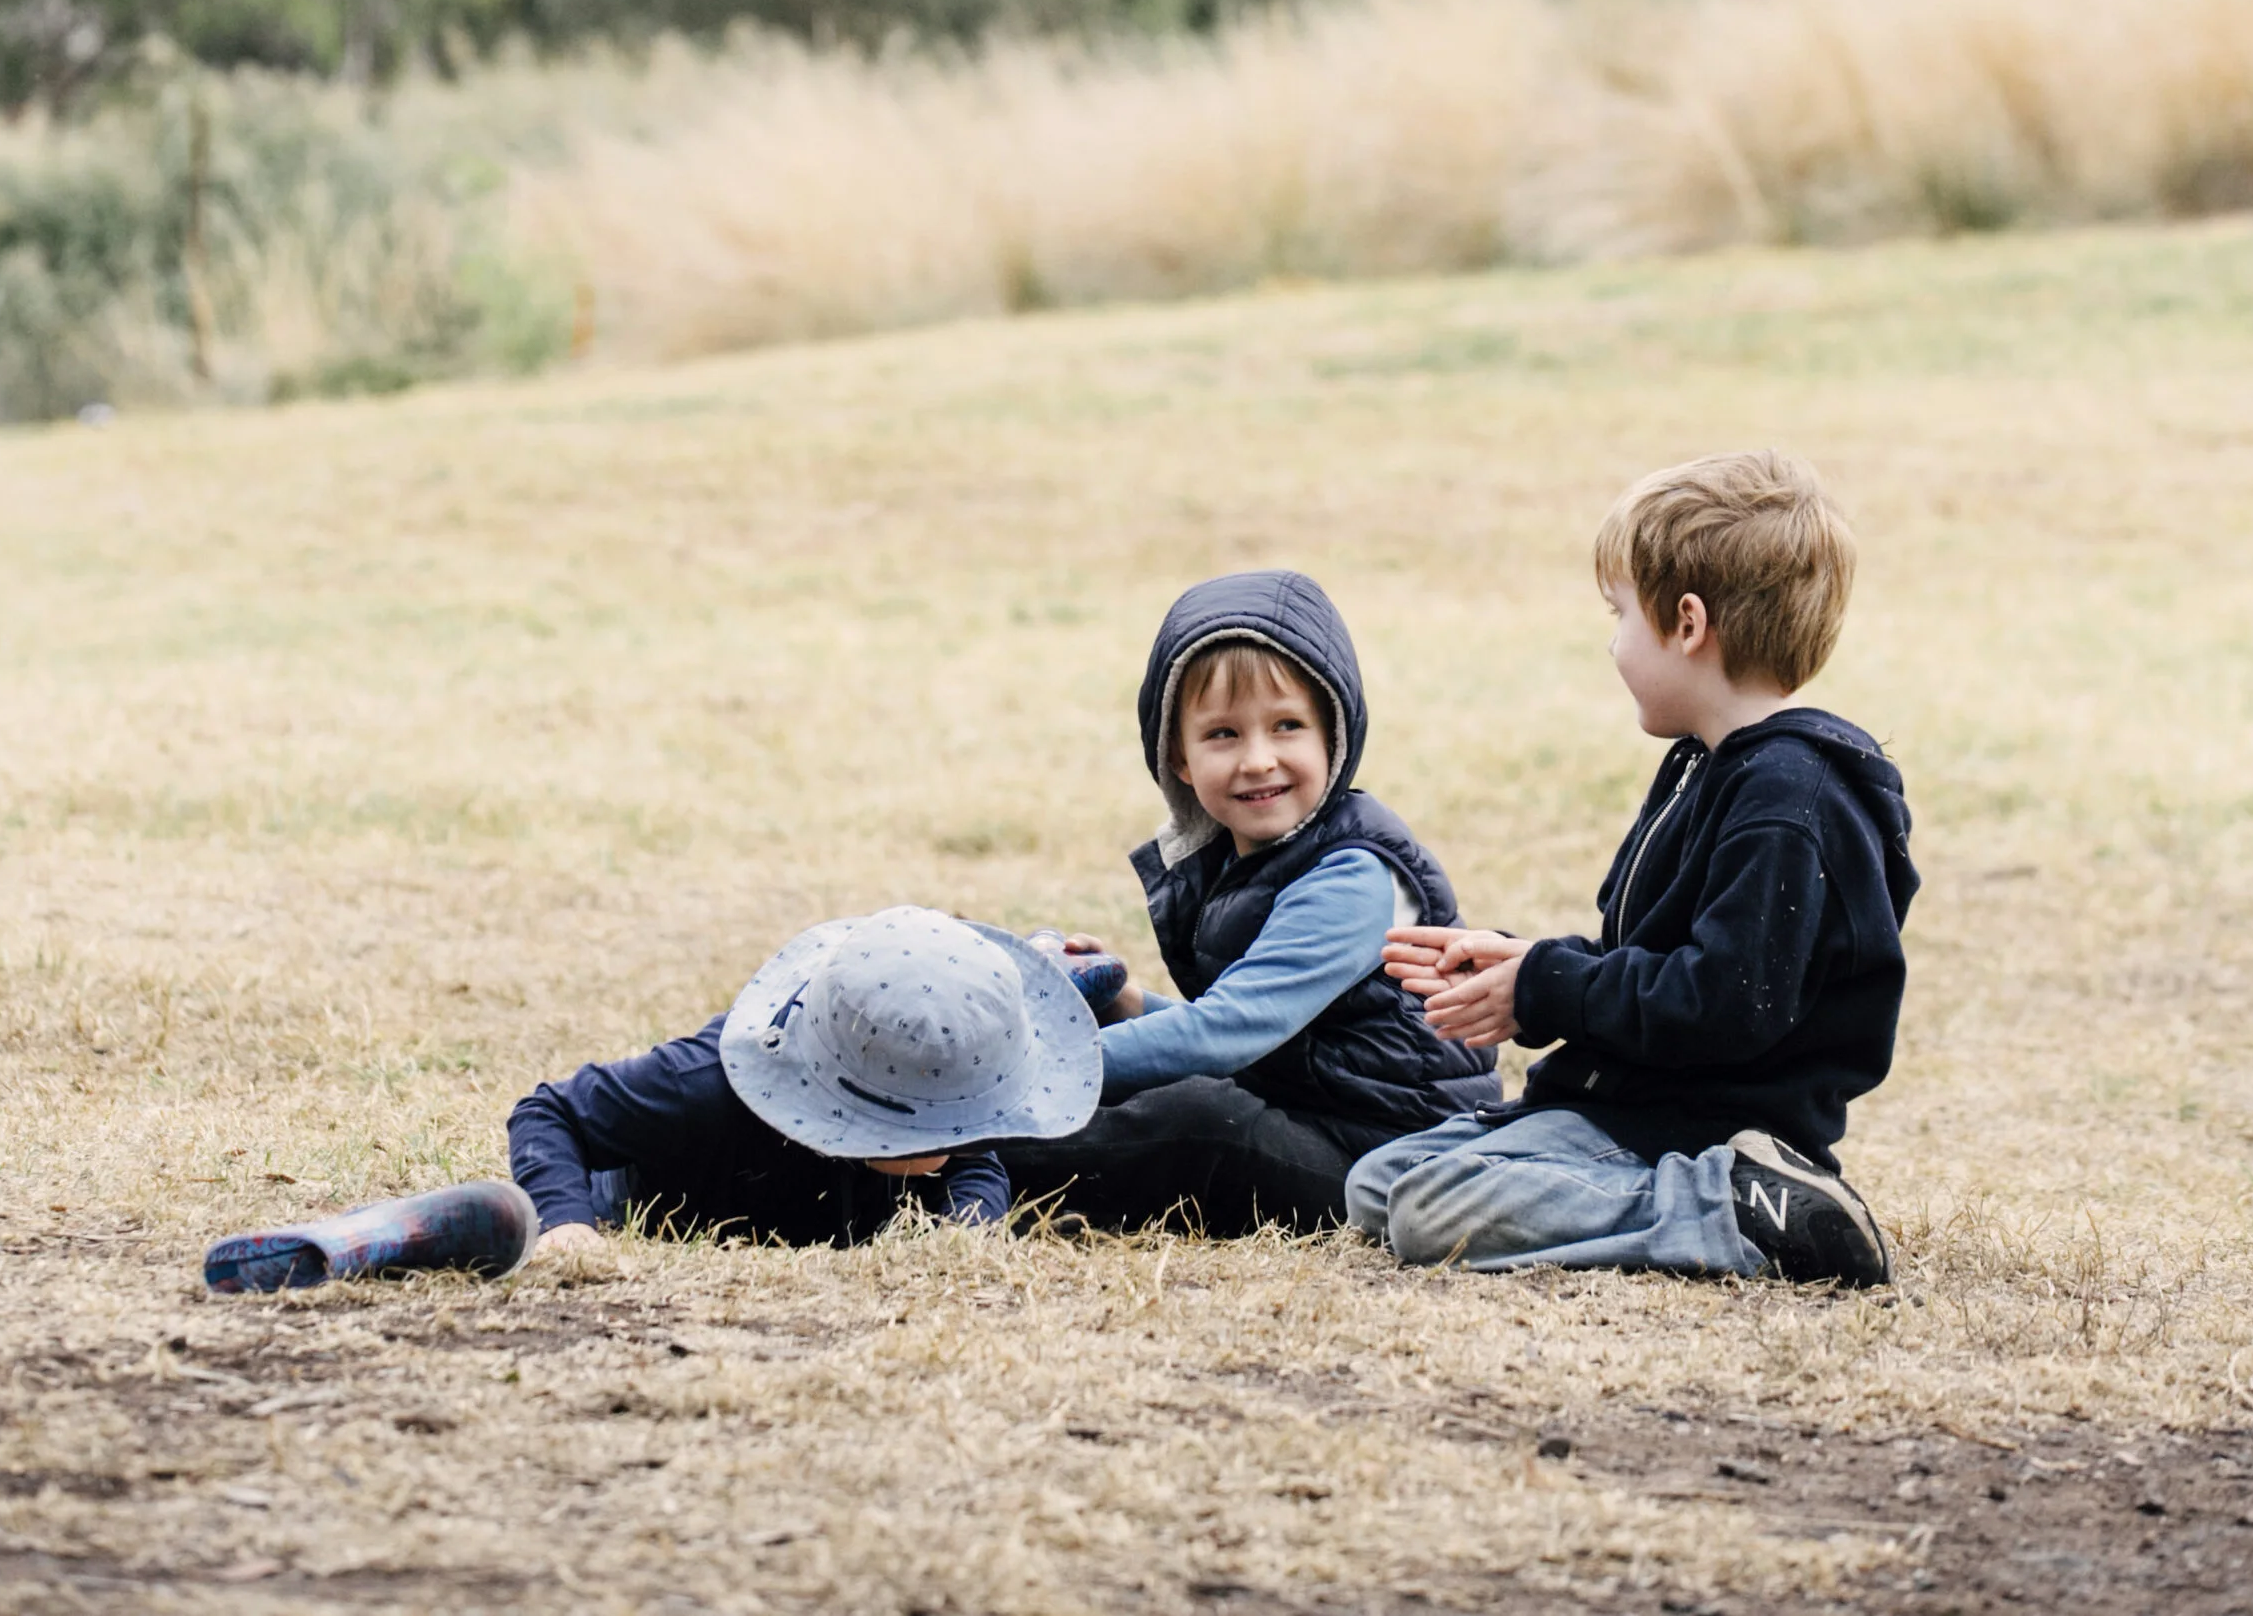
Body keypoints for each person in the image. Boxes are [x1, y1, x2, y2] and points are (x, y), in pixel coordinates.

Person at [1350, 449, 1917, 1287]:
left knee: (1431, 1209)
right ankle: (1658, 1191)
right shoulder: (1714, 765)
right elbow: (1658, 962)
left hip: (1702, 1126)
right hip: (1635, 1105)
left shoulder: (1789, 800)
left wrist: (1548, 987)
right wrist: (1526, 966)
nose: (1611, 643)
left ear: (1686, 624)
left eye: (1617, 614)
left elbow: (1723, 1005)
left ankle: (1740, 1209)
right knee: (1379, 1184)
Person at [1004, 569, 1504, 1234]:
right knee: (1197, 1101)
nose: (1259, 759)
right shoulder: (1244, 862)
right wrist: (1125, 1006)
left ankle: (965, 1154)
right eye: (1222, 734)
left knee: (1201, 1121)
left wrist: (1030, 1070)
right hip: (1315, 1114)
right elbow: (1263, 1035)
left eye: (1288, 725)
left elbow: (1226, 1033)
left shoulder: (1354, 876)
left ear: (1334, 735)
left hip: (1386, 1157)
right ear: (1176, 757)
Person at [508, 906, 1099, 1249]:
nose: (962, 1140)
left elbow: (977, 1163)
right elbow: (550, 1113)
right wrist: (565, 1223)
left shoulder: (951, 1112)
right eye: (946, 1130)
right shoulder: (704, 1086)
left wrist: (965, 1231)